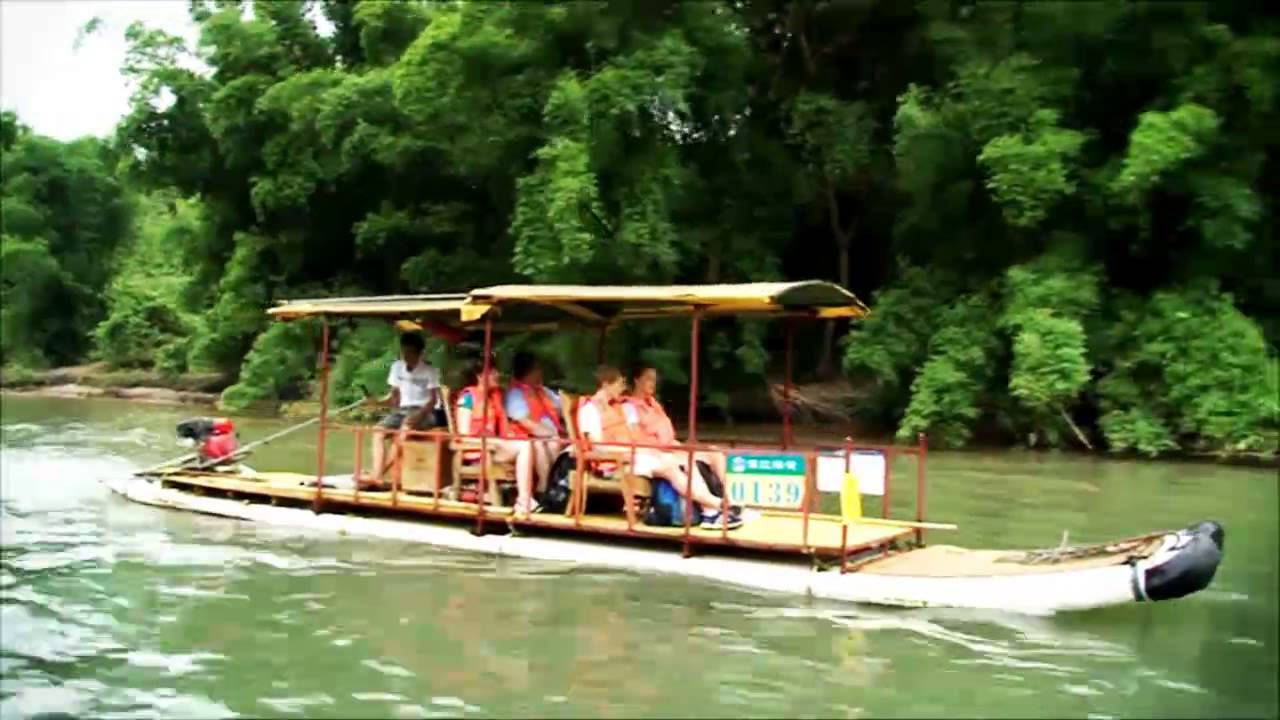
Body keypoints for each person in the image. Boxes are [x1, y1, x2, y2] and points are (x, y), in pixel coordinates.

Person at [577, 365, 741, 530]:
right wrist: (631, 452)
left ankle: (710, 510)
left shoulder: (619, 407)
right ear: (605, 385)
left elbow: (634, 436)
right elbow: (598, 447)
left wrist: (644, 449)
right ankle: (718, 504)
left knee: (684, 461)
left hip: (636, 457)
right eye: (619, 384)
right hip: (616, 462)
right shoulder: (589, 410)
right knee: (669, 465)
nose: (622, 388)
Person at [455, 361, 542, 516]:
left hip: (493, 448)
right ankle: (524, 499)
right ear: (480, 376)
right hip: (477, 451)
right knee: (524, 447)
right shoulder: (468, 398)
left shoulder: (493, 398)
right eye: (493, 372)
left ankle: (526, 497)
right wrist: (494, 441)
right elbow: (463, 436)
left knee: (529, 444)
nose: (497, 375)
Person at [624, 363, 728, 483]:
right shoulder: (629, 407)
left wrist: (683, 446)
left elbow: (667, 434)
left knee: (715, 453)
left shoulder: (654, 405)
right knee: (690, 464)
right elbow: (636, 438)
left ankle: (727, 492)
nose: (653, 383)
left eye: (655, 380)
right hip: (658, 454)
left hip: (673, 448)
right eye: (649, 379)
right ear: (637, 380)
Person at [368, 333, 441, 488]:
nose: (406, 356)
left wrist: (419, 415)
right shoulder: (397, 367)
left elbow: (433, 400)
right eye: (404, 352)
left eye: (410, 353)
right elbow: (393, 397)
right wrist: (376, 402)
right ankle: (376, 474)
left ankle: (377, 475)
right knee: (377, 432)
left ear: (419, 353)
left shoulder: (430, 370)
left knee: (404, 430)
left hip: (426, 410)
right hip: (403, 410)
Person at [503, 351, 564, 493]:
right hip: (526, 437)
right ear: (529, 371)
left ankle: (554, 486)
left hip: (550, 436)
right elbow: (526, 423)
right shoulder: (515, 394)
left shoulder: (542, 391)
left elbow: (562, 406)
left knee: (554, 444)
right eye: (538, 369)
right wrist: (552, 433)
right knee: (543, 445)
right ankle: (545, 487)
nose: (541, 372)